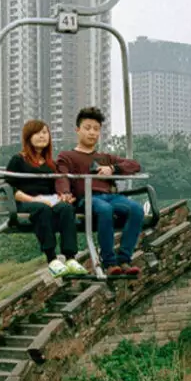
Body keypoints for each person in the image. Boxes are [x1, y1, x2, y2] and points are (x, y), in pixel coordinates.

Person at [55, 106, 143, 276]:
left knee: (136, 209)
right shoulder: (67, 156)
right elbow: (62, 176)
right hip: (87, 198)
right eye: (87, 128)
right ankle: (109, 262)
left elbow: (134, 165)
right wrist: (64, 192)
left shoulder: (104, 158)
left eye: (96, 129)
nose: (92, 133)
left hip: (110, 196)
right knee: (105, 210)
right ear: (78, 130)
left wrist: (112, 168)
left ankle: (124, 259)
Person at [5, 119, 86, 277]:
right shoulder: (18, 160)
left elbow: (56, 187)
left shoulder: (50, 164)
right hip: (26, 202)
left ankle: (70, 257)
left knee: (66, 208)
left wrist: (64, 196)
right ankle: (52, 258)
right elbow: (10, 188)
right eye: (37, 133)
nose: (42, 136)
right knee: (42, 209)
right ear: (28, 137)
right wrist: (34, 200)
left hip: (48, 200)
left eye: (44, 132)